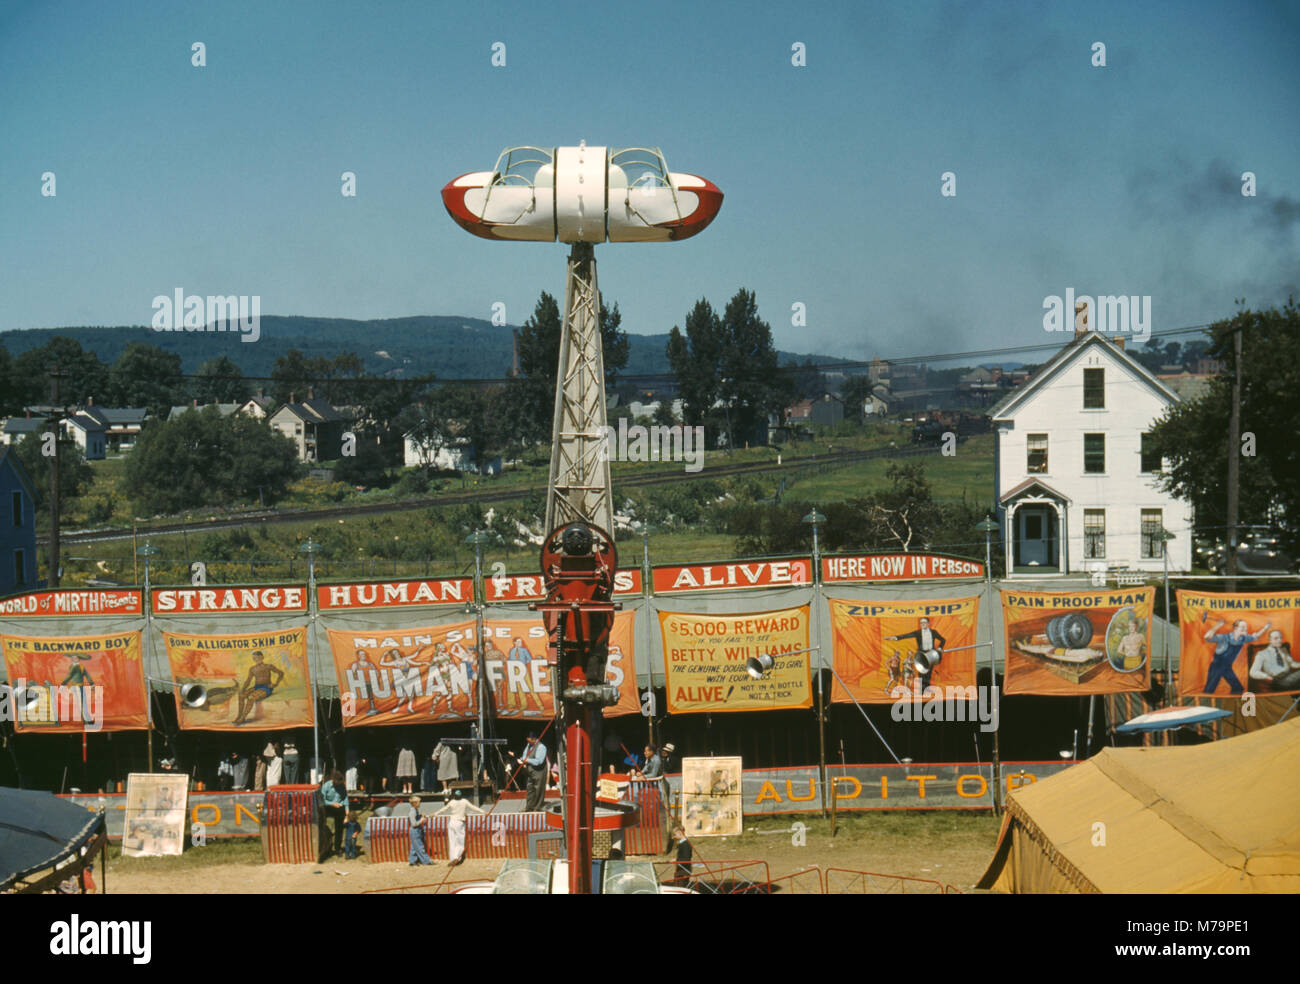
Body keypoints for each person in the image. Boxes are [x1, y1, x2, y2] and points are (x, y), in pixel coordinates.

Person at [1202, 618, 1271, 695]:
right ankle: (1202, 706)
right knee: (1209, 690)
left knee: (1238, 688)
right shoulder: (1224, 638)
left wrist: (1266, 628)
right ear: (1235, 628)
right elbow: (1207, 637)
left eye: (1246, 627)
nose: (1245, 629)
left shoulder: (1243, 639)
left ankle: (1232, 705)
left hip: (1227, 668)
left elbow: (1256, 637)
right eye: (1242, 627)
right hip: (1216, 667)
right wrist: (1218, 625)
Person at [885, 618, 946, 693]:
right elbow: (906, 635)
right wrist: (895, 637)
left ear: (928, 623)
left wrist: (940, 648)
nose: (922, 624)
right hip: (921, 655)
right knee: (922, 673)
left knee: (929, 673)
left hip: (931, 654)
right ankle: (922, 690)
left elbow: (943, 640)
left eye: (924, 622)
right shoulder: (918, 633)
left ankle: (927, 689)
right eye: (921, 623)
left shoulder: (934, 632)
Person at [434, 789, 486, 866]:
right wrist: (484, 812)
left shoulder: (452, 802)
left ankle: (453, 858)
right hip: (459, 822)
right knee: (460, 841)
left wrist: (435, 813)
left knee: (452, 841)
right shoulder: (464, 801)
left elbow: (443, 809)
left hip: (452, 822)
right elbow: (473, 808)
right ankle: (457, 857)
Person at [233, 651, 284, 726]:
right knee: (241, 695)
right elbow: (248, 681)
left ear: (262, 657)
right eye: (254, 658)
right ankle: (239, 716)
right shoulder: (252, 669)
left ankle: (243, 718)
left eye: (257, 657)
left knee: (251, 697)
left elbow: (281, 673)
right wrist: (242, 689)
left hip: (266, 688)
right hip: (256, 687)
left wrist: (276, 684)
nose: (256, 659)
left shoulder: (268, 666)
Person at [509, 732, 548, 812]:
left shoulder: (541, 747)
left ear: (534, 739)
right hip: (530, 770)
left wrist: (526, 760)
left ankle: (537, 807)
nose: (528, 743)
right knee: (530, 788)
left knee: (538, 789)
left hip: (539, 771)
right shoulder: (529, 745)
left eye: (529, 741)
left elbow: (539, 761)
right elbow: (524, 754)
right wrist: (522, 759)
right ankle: (529, 807)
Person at [320, 769, 349, 857]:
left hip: (339, 807)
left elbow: (345, 798)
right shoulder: (326, 786)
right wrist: (332, 804)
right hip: (328, 806)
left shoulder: (342, 786)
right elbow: (322, 800)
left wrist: (347, 809)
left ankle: (337, 848)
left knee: (339, 828)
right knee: (322, 825)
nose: (339, 784)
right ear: (333, 780)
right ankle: (324, 846)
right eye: (337, 782)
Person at [407, 796, 434, 866]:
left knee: (414, 847)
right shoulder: (412, 812)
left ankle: (412, 861)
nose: (420, 804)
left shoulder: (415, 811)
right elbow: (413, 824)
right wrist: (421, 820)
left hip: (417, 830)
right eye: (419, 802)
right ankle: (426, 861)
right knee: (420, 846)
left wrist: (421, 816)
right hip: (415, 830)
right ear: (415, 803)